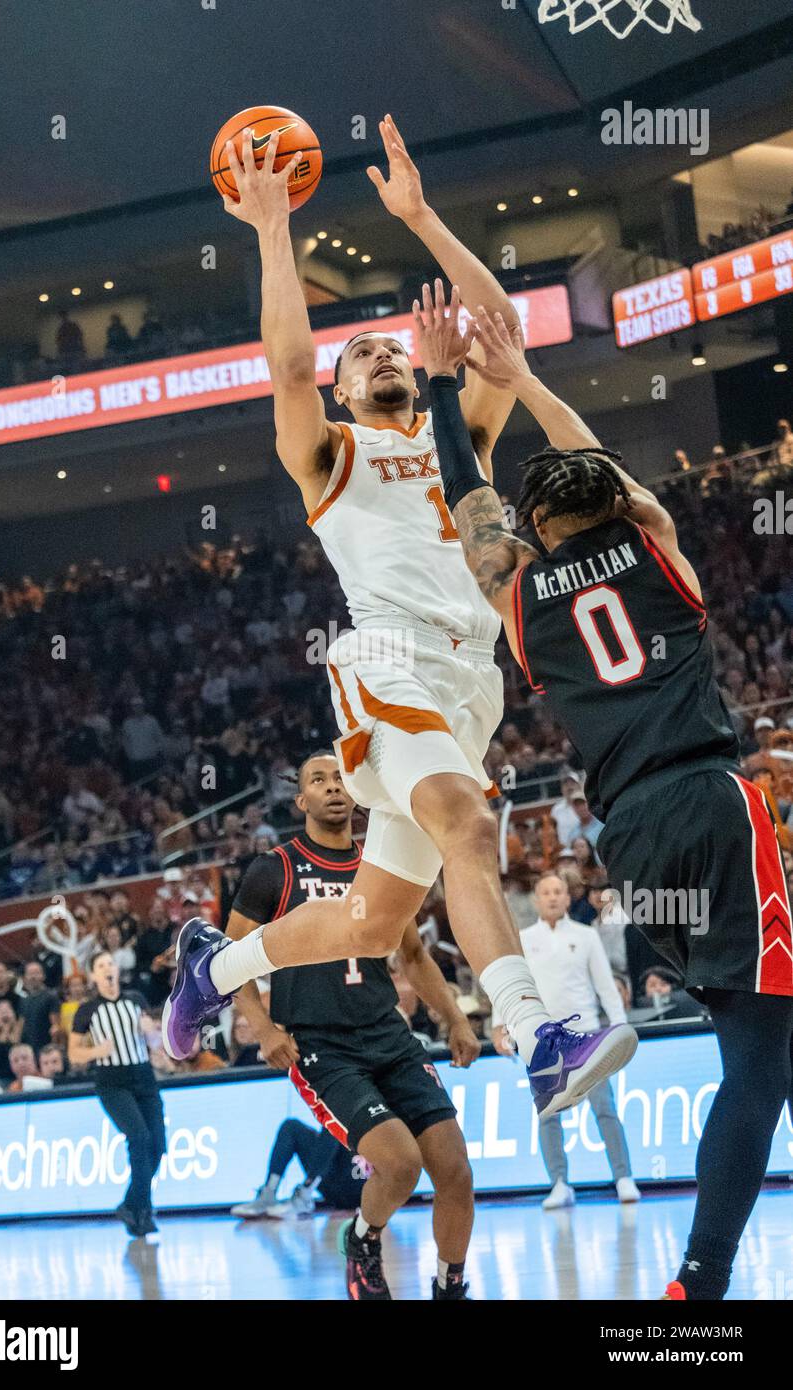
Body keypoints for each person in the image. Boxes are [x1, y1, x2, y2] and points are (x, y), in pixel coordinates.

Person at [163, 119, 636, 1122]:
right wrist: (272, 230)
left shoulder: (451, 432)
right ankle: (536, 1036)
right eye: (360, 352)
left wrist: (420, 218)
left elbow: (499, 328)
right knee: (466, 822)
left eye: (390, 344)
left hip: (471, 682)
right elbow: (288, 370)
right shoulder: (331, 456)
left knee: (372, 922)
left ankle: (213, 967)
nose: (379, 351)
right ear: (342, 392)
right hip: (383, 658)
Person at [410, 289, 793, 1302]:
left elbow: (465, 501)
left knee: (750, 1037)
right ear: (622, 502)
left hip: (628, 837)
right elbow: (614, 482)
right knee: (757, 1061)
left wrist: (445, 388)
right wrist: (519, 376)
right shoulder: (660, 549)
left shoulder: (518, 595)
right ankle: (696, 1287)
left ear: (533, 529)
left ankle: (698, 1277)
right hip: (710, 798)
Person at [224, 750, 482, 1300]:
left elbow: (412, 955)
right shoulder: (275, 868)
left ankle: (449, 1287)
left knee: (456, 1170)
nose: (333, 787)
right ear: (302, 800)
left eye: (341, 777)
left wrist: (454, 1016)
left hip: (388, 1033)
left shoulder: (380, 867)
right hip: (321, 1044)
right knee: (399, 1163)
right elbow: (227, 960)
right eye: (318, 780)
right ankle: (364, 1241)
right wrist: (266, 1029)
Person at [495, 873, 640, 1210]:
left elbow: (605, 984)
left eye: (558, 891)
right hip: (542, 1040)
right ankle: (559, 1183)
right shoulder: (523, 938)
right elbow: (511, 984)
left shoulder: (586, 936)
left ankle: (623, 1177)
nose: (553, 897)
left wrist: (619, 1024)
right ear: (535, 899)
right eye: (546, 892)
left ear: (566, 897)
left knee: (605, 1109)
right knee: (548, 1115)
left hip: (586, 1036)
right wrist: (501, 1025)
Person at [69, 950, 165, 1238]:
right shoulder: (87, 1009)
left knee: (158, 1146)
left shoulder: (136, 1000)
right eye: (101, 965)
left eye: (110, 963)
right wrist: (97, 1051)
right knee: (139, 1138)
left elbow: (156, 1042)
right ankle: (143, 1211)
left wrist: (151, 1031)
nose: (108, 968)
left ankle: (130, 1203)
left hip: (144, 1076)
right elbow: (73, 1052)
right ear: (94, 976)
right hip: (112, 1081)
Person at [231, 1118, 371, 1220]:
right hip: (332, 1181)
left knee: (334, 1123)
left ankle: (305, 1194)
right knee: (291, 1126)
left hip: (361, 1182)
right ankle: (268, 1194)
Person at [19, 961, 61, 1054]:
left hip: (46, 1047)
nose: (33, 977)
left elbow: (55, 1025)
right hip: (29, 1047)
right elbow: (21, 1024)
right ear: (25, 977)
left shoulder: (51, 996)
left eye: (36, 973)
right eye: (30, 974)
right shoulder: (24, 1000)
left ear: (43, 976)